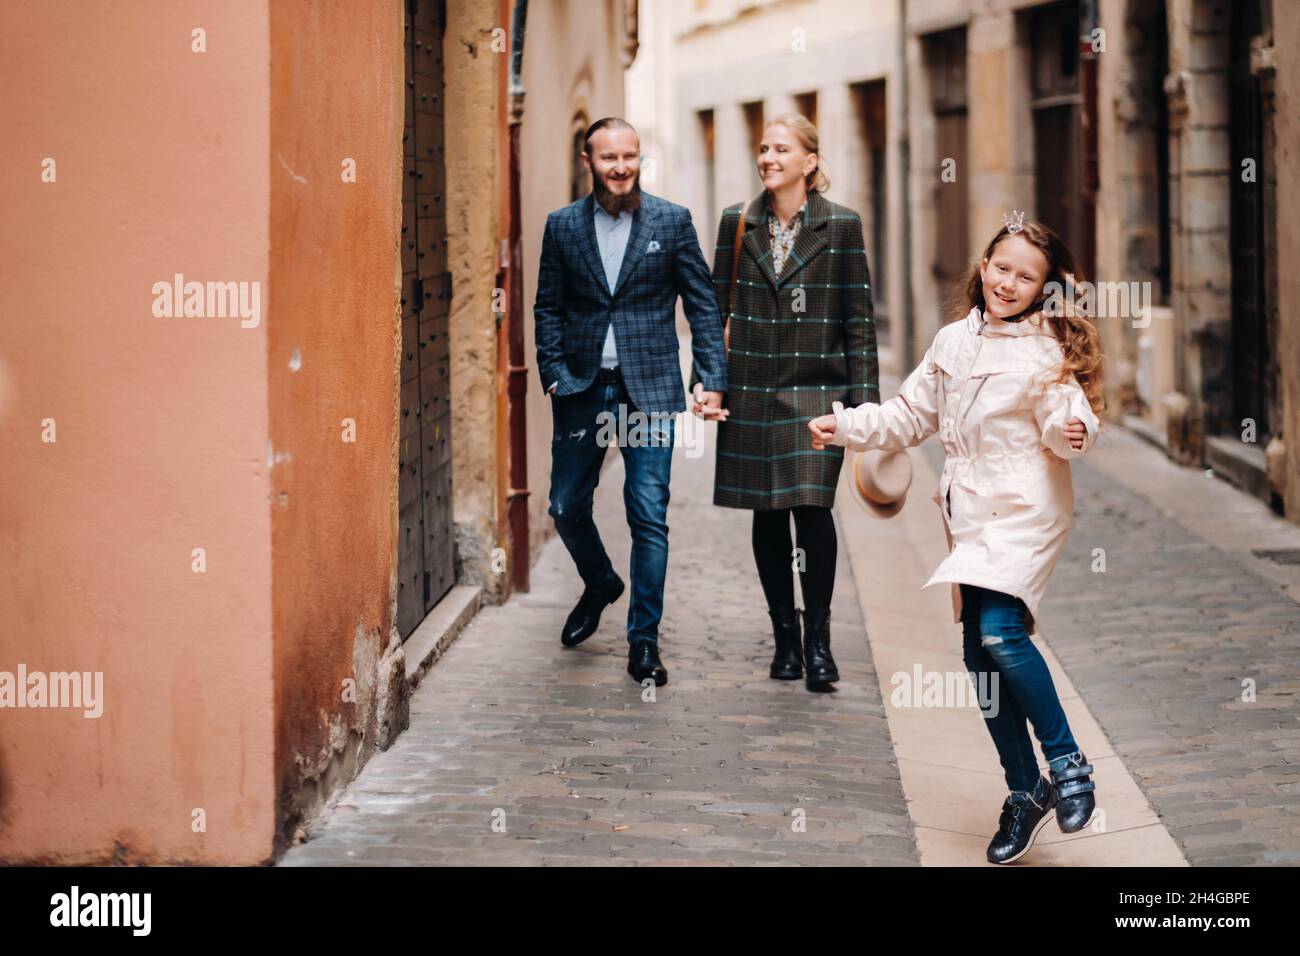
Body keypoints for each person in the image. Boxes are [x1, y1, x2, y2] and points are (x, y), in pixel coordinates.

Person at [808, 217, 1104, 863]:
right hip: (968, 516)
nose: (1009, 283)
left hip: (1026, 510)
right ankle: (1026, 793)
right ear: (984, 263)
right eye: (1003, 267)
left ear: (1045, 288)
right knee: (977, 656)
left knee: (1001, 633)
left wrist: (1074, 429)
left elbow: (1065, 410)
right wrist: (846, 424)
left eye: (1027, 276)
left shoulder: (1047, 348)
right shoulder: (951, 341)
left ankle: (1069, 764)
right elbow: (909, 415)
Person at [534, 117, 728, 687]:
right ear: (587, 162)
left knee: (648, 514)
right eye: (608, 157)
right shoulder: (563, 226)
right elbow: (548, 305)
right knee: (566, 507)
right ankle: (600, 582)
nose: (620, 166)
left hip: (649, 391)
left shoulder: (672, 221)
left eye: (630, 156)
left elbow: (703, 305)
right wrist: (553, 372)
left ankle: (643, 642)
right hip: (582, 389)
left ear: (639, 159)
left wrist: (710, 375)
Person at [696, 113, 878, 689]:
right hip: (751, 393)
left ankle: (819, 642)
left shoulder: (842, 226)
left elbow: (859, 322)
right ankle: (785, 641)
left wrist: (864, 409)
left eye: (781, 148)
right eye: (763, 148)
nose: (768, 157)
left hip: (816, 393)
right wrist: (710, 381)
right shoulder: (738, 220)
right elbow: (711, 313)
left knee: (813, 511)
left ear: (810, 161)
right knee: (768, 516)